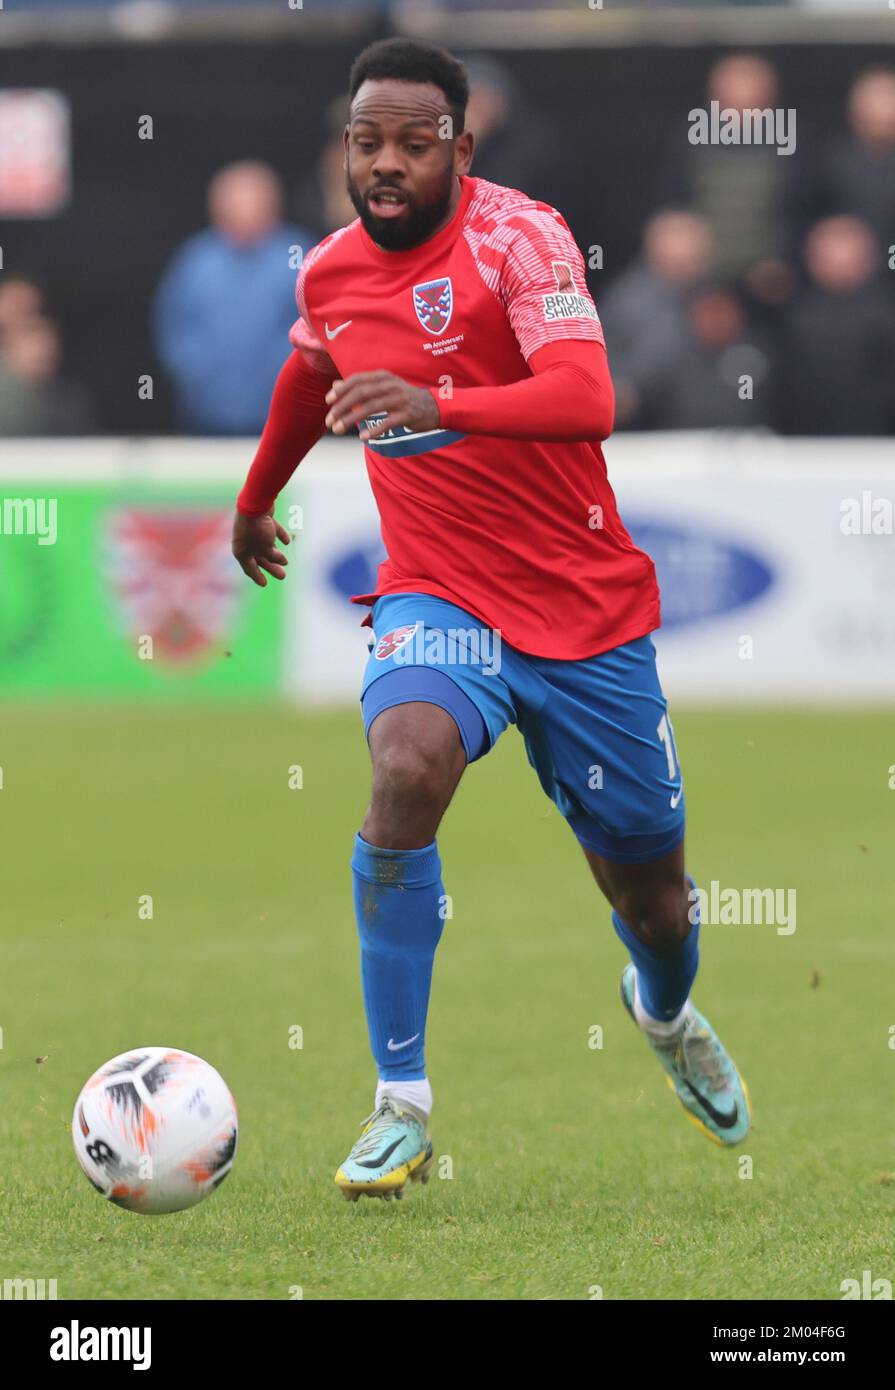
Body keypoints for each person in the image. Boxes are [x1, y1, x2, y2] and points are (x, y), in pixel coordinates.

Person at [232, 38, 750, 1202]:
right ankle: (399, 1104)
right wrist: (255, 497)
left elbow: (587, 397)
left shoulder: (522, 238)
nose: (385, 163)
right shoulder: (326, 271)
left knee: (652, 901)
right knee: (404, 766)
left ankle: (661, 1010)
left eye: (414, 143)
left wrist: (440, 401)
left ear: (460, 149)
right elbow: (307, 377)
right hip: (441, 594)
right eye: (367, 140)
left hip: (581, 611)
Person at [153, 161, 314, 435]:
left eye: (253, 202)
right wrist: (202, 376)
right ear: (216, 208)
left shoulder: (300, 258)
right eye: (235, 203)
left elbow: (317, 330)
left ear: (272, 206)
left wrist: (278, 377)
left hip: (287, 418)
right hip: (205, 419)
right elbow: (173, 328)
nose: (245, 211)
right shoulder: (195, 261)